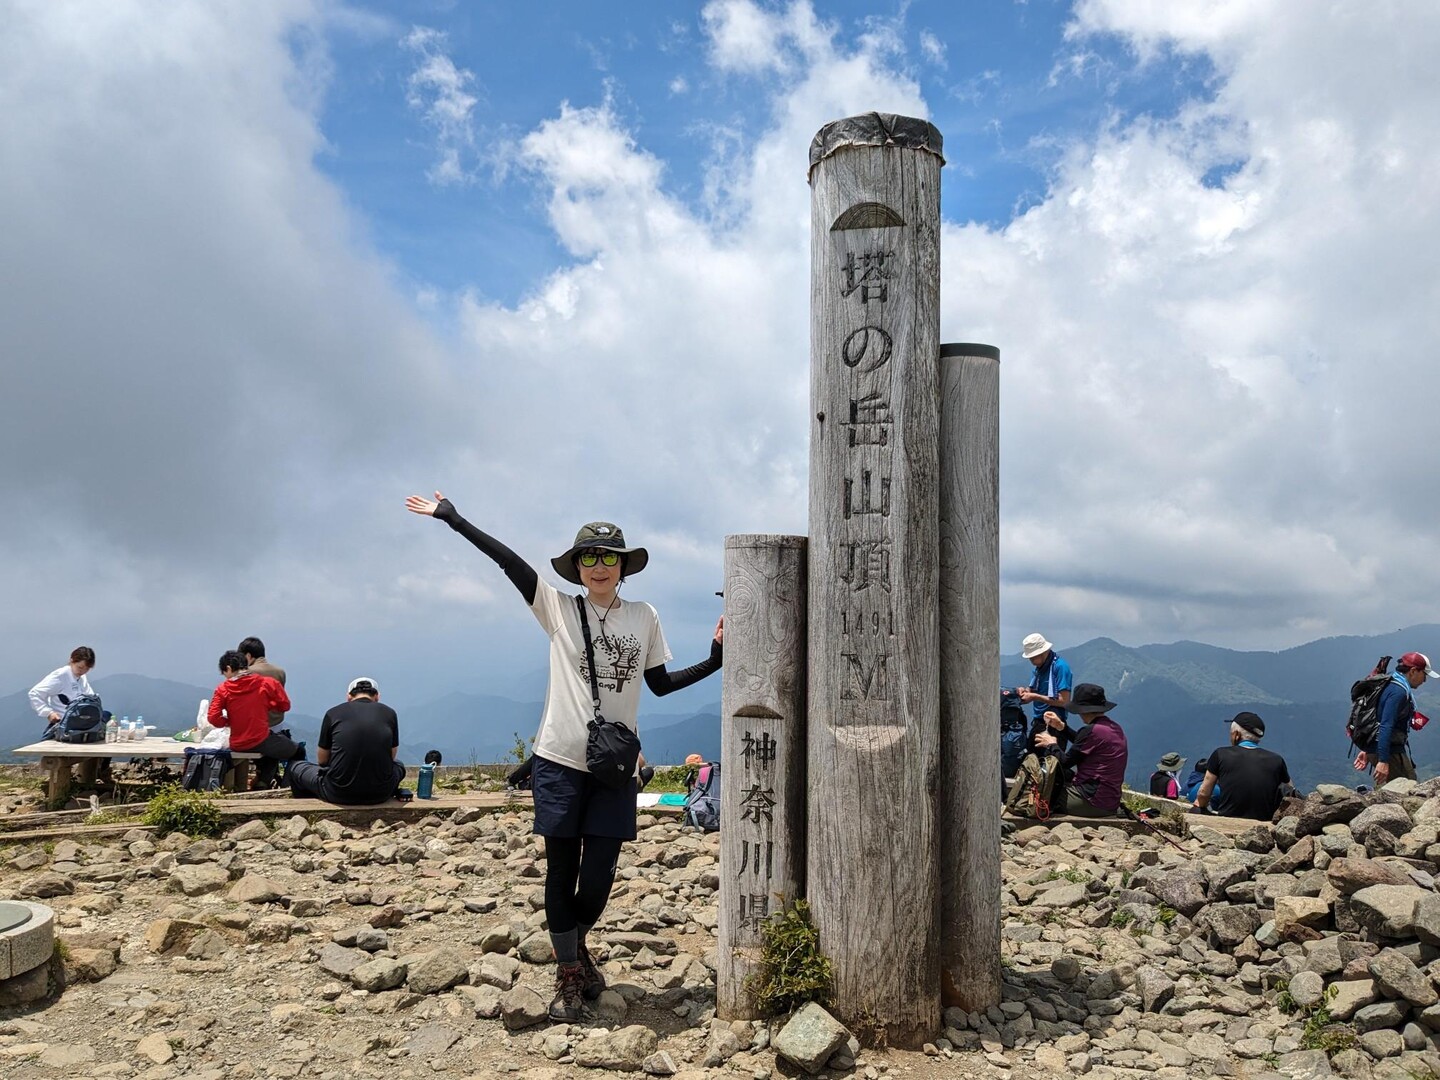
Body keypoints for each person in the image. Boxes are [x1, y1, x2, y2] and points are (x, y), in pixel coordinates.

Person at [406, 491, 723, 1022]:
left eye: (609, 557)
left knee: (597, 877)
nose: (600, 566)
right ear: (577, 567)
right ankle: (571, 971)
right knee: (561, 869)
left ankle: (575, 949)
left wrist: (718, 660)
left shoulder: (644, 616)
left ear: (624, 566)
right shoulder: (557, 606)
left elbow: (661, 685)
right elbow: (509, 562)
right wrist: (454, 518)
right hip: (557, 759)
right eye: (590, 557)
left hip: (614, 767)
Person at [287, 677, 405, 805]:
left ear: (349, 696)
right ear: (377, 697)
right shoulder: (390, 714)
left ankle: (307, 806)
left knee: (295, 767)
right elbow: (391, 756)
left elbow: (322, 760)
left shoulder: (333, 713)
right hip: (380, 794)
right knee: (399, 765)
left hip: (337, 793)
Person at [207, 650, 300, 787]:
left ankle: (258, 782)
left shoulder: (222, 689)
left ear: (228, 668)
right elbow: (284, 705)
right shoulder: (267, 683)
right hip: (261, 739)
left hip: (237, 743)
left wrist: (228, 721)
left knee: (272, 745)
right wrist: (267, 706)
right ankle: (285, 787)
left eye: (224, 673)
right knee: (297, 750)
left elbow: (213, 718)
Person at [1033, 683, 1127, 818]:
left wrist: (1051, 744)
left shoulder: (1091, 731)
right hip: (1110, 801)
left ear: (1082, 710)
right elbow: (1082, 743)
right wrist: (1061, 727)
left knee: (1041, 793)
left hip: (1091, 801)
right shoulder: (1113, 728)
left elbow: (1065, 762)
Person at [30, 646, 109, 788]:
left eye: (86, 669)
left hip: (82, 719)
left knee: (107, 716)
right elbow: (35, 693)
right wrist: (48, 712)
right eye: (80, 668)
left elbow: (89, 697)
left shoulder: (81, 677)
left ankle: (100, 771)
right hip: (64, 721)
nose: (83, 671)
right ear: (72, 661)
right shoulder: (60, 676)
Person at [1354, 651, 1437, 785]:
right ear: (1413, 671)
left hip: (1380, 748)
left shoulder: (1390, 683)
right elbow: (1386, 724)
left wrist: (1368, 748)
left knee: (1399, 790)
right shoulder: (1398, 692)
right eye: (1424, 674)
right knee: (1408, 791)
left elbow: (1377, 717)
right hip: (1390, 752)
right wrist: (1383, 760)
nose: (1425, 680)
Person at [1190, 712, 1290, 820]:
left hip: (1228, 819)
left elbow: (1204, 794)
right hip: (1264, 822)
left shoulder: (1220, 754)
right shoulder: (1277, 760)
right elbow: (1290, 793)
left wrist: (1200, 805)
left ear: (1236, 735)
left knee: (1196, 809)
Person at [1017, 633, 1073, 752]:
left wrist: (1035, 697)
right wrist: (1025, 691)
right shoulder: (1039, 669)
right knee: (1031, 762)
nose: (1031, 661)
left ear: (1042, 653)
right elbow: (1033, 689)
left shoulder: (1060, 667)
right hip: (1038, 721)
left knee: (1049, 765)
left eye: (1033, 657)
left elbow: (1064, 701)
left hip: (1054, 724)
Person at [238, 636, 288, 730]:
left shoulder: (245, 673)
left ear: (248, 656)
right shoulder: (280, 672)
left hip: (254, 727)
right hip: (277, 725)